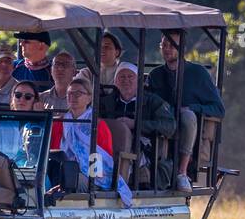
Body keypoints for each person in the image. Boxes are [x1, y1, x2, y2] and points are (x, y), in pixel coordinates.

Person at [146, 29, 225, 194]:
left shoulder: (198, 73)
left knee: (187, 116)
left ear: (183, 48)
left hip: (187, 129)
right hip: (162, 124)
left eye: (173, 45)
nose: (167, 49)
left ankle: (182, 172)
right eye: (164, 45)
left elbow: (218, 109)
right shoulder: (155, 75)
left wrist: (193, 108)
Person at [48, 77, 132, 204]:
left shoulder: (97, 126)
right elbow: (53, 154)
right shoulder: (58, 122)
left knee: (72, 177)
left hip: (91, 177)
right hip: (60, 171)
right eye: (70, 93)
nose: (73, 97)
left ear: (89, 98)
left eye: (78, 93)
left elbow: (101, 161)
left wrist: (81, 174)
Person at [107, 62, 175, 184]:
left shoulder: (153, 102)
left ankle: (121, 182)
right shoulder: (106, 102)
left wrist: (136, 124)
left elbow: (169, 126)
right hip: (109, 147)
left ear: (139, 81)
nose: (125, 80)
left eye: (130, 77)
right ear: (115, 81)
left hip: (144, 150)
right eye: (121, 77)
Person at [0, 81, 44, 166]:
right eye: (18, 95)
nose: (21, 99)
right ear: (12, 98)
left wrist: (39, 118)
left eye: (28, 97)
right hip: (2, 172)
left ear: (35, 101)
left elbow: (39, 153)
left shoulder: (41, 124)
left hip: (31, 173)